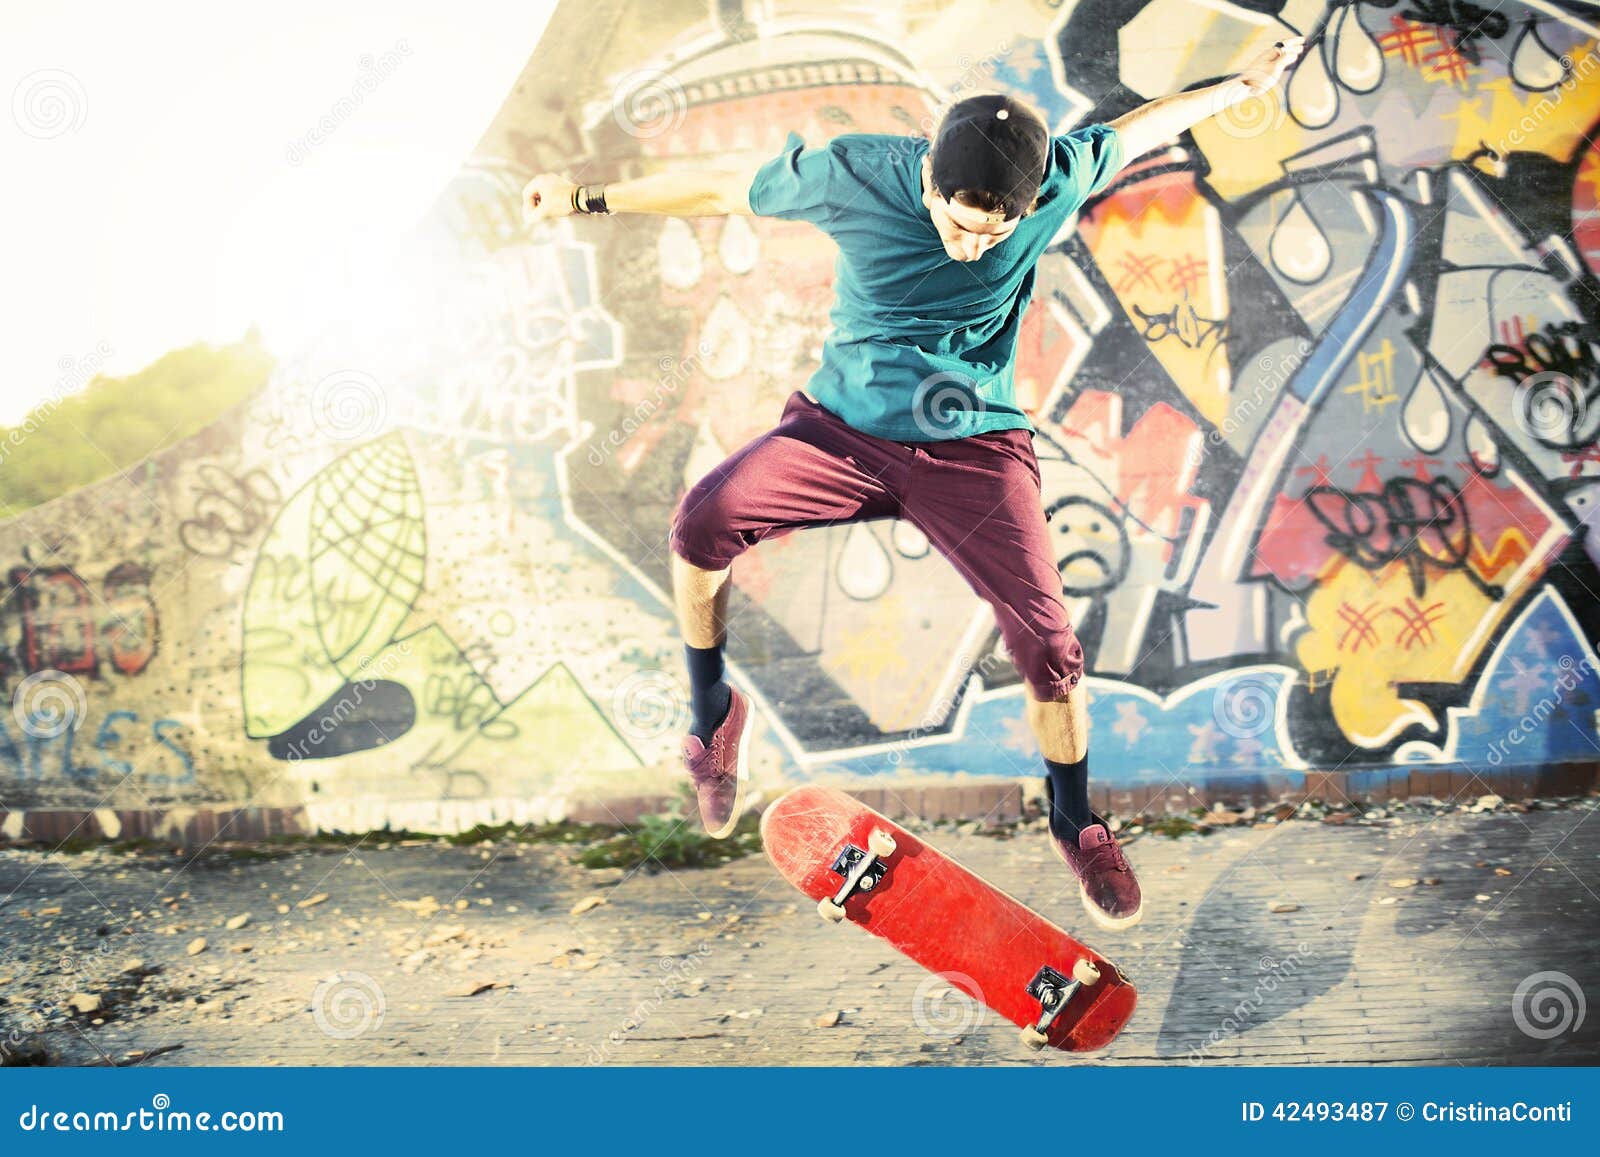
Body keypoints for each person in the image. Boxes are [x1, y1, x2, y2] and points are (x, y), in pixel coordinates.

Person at [523, 37, 1305, 929]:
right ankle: (713, 717)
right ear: (928, 181)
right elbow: (715, 187)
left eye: (994, 230)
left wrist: (1237, 86)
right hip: (840, 431)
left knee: (1050, 646)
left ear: (1027, 203)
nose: (972, 243)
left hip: (975, 448)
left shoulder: (1055, 181)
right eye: (957, 219)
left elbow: (1140, 126)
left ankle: (1075, 820)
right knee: (699, 526)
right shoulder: (856, 175)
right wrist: (583, 196)